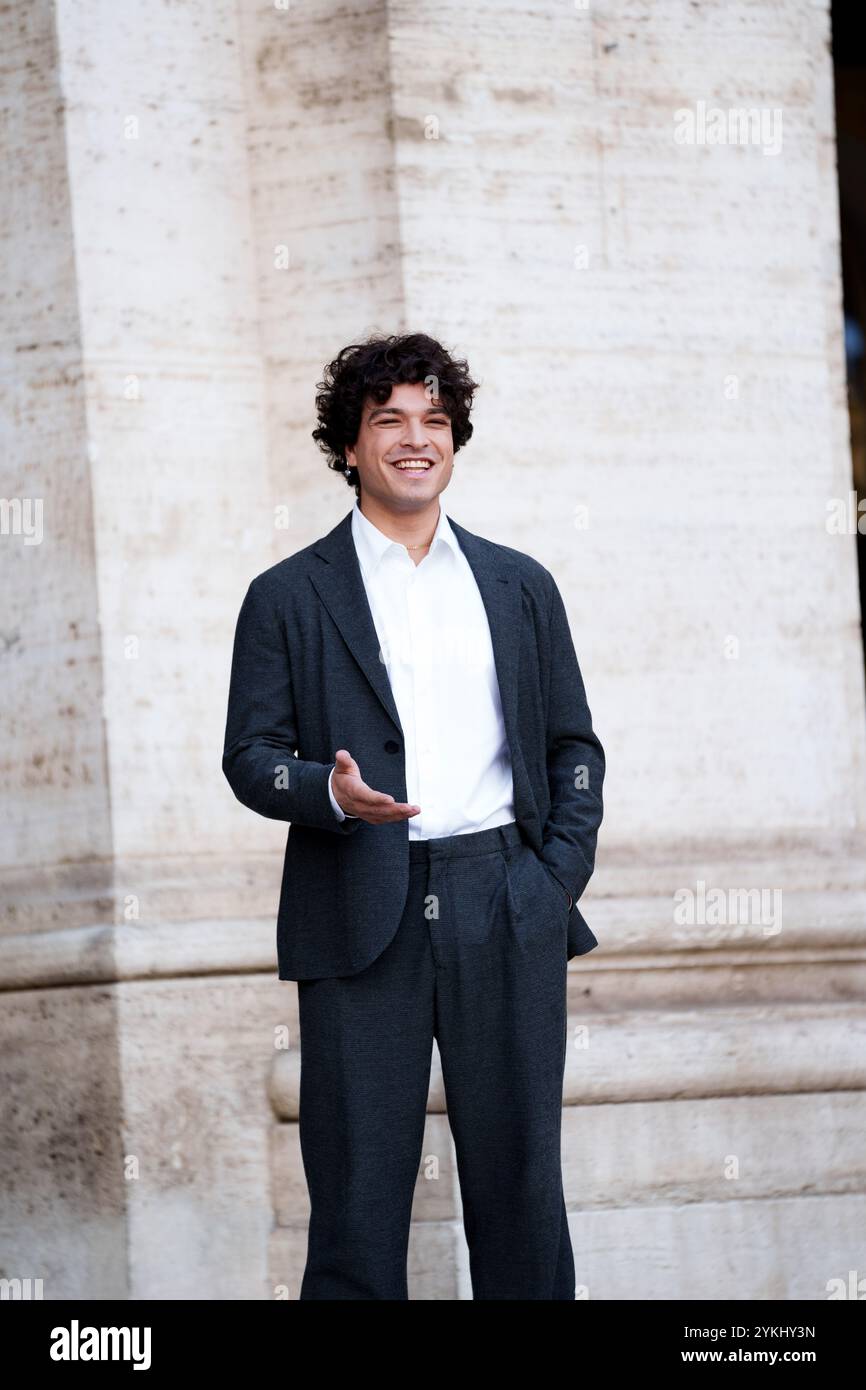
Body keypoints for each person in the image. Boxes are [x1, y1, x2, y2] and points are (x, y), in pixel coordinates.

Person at [222, 331, 605, 1299]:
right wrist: (326, 794)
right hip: (356, 908)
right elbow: (247, 758)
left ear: (453, 439)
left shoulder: (519, 585)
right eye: (386, 418)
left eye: (432, 419)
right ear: (346, 446)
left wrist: (549, 876)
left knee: (523, 1201)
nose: (413, 438)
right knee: (354, 1211)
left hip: (502, 900)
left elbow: (573, 749)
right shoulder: (284, 596)